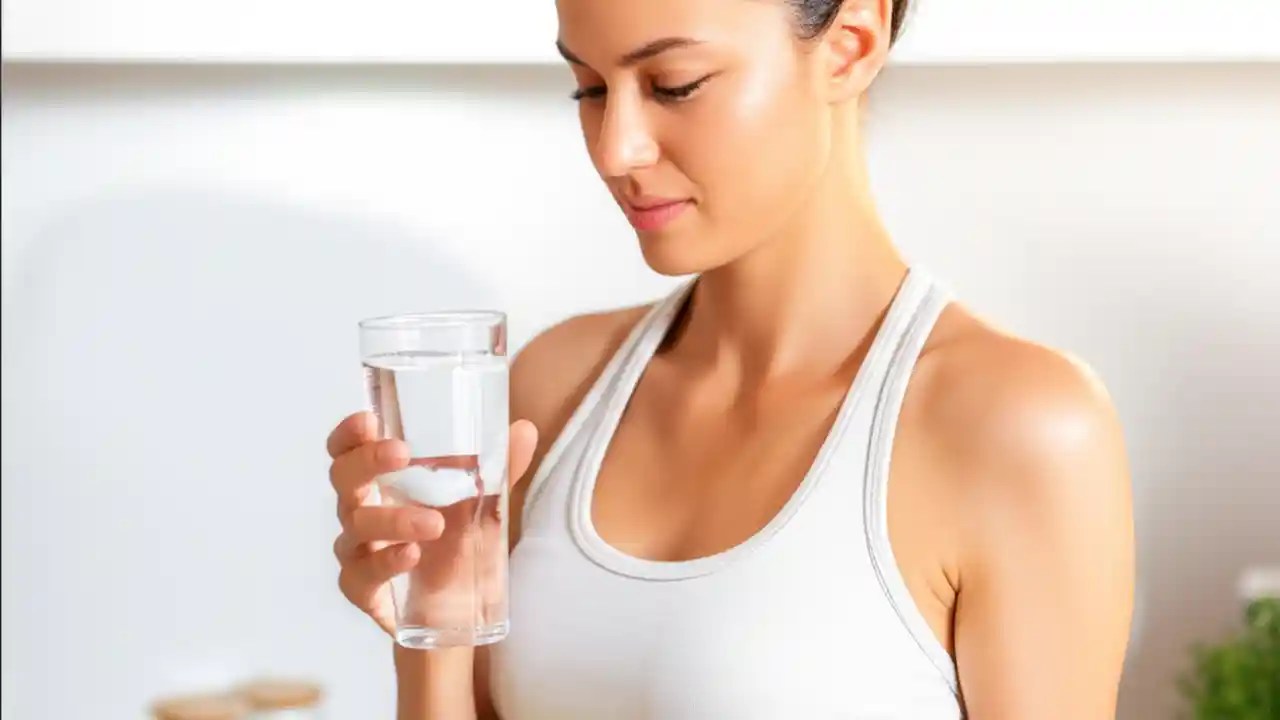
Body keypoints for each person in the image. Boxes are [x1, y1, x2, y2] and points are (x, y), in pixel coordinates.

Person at [326, 0, 1136, 717]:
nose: (617, 150)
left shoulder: (1016, 427)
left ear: (852, 43)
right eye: (590, 88)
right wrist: (430, 611)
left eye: (674, 84)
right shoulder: (557, 385)